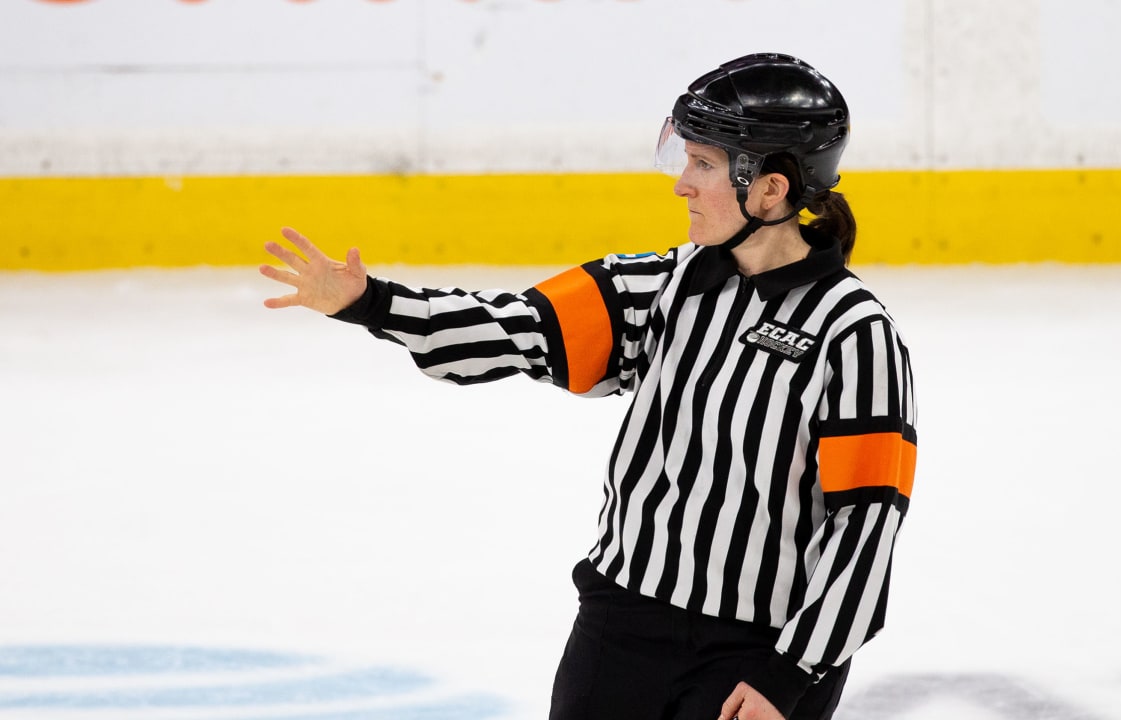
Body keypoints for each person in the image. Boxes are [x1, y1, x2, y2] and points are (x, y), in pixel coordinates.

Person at [260, 53, 917, 720]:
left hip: (757, 655)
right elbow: (516, 327)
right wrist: (373, 302)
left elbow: (866, 525)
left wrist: (791, 672)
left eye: (704, 165)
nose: (681, 185)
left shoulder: (854, 335)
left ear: (770, 188)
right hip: (623, 625)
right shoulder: (668, 284)